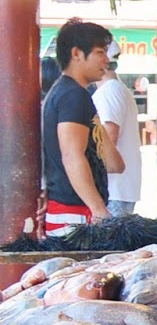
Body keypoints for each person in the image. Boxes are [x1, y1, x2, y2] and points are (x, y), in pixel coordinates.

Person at [42, 21, 124, 234]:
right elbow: (71, 156)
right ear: (76, 53)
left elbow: (115, 164)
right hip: (74, 213)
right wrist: (99, 210)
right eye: (100, 52)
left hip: (73, 211)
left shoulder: (74, 94)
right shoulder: (73, 96)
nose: (106, 60)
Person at [92, 43, 142, 216]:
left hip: (114, 190)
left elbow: (108, 138)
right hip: (118, 189)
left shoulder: (110, 91)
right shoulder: (115, 89)